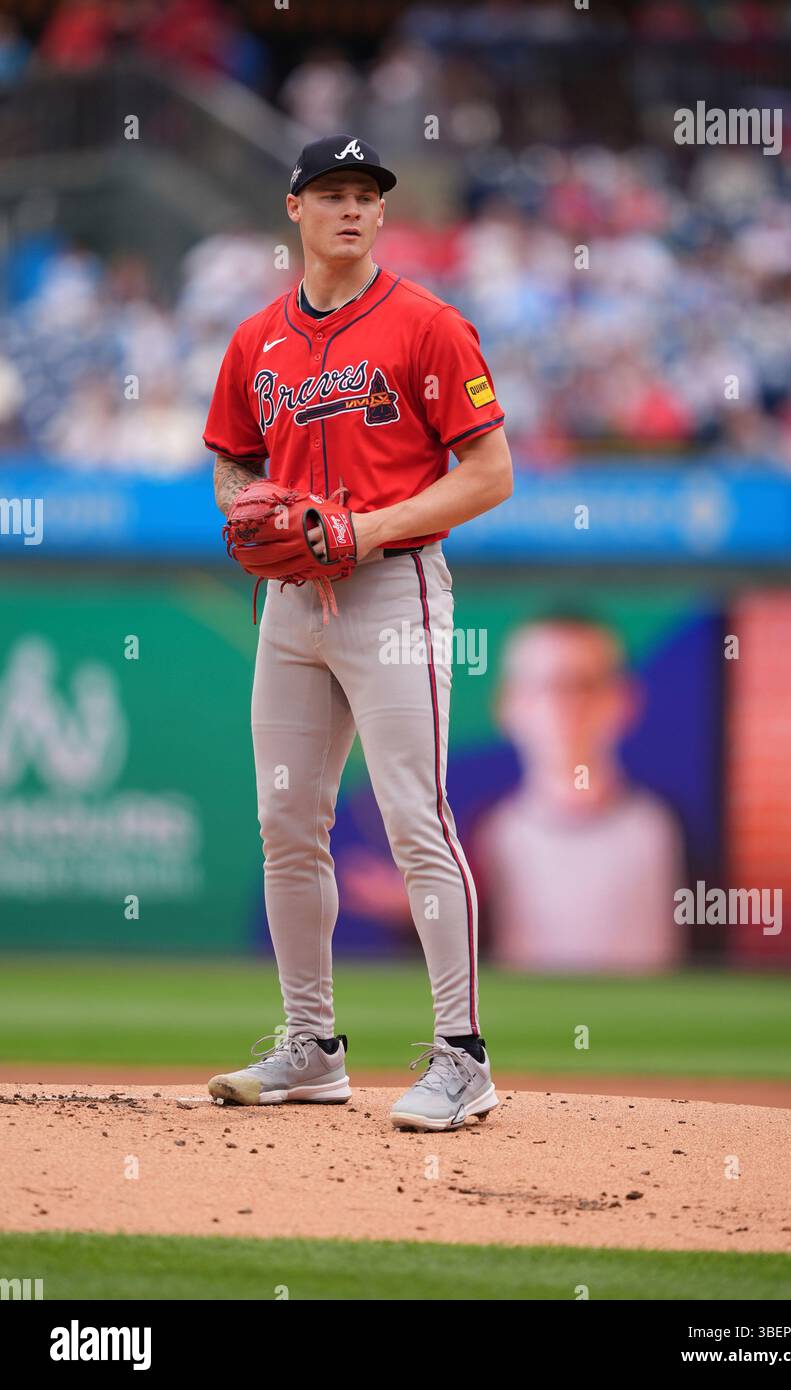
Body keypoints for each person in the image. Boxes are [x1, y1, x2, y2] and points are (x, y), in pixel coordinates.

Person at [202, 135, 512, 1131]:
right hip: (290, 608)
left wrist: (362, 526)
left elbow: (489, 472)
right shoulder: (256, 340)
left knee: (415, 819)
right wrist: (257, 518)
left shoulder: (428, 325)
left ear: (382, 215)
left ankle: (462, 1057)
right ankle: (310, 1048)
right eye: (330, 192)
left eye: (366, 195)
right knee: (288, 825)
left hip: (393, 588)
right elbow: (232, 472)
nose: (350, 208)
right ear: (292, 209)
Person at [474, 616, 686, 971]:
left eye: (585, 684)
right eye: (546, 685)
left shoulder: (664, 830)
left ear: (623, 700)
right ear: (508, 705)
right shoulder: (486, 836)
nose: (566, 705)